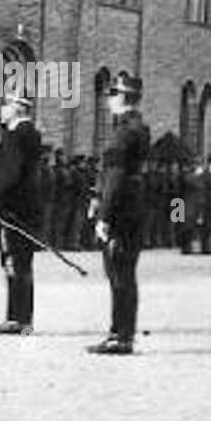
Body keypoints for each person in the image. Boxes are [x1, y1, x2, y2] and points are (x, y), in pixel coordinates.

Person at [88, 74, 150, 355]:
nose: (108, 99)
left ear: (122, 97)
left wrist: (104, 215)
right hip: (132, 208)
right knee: (124, 273)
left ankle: (120, 336)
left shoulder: (124, 132)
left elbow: (115, 176)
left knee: (119, 274)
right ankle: (122, 333)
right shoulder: (138, 127)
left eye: (112, 93)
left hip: (121, 212)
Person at [0, 93, 42, 334]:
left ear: (19, 108)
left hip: (17, 210)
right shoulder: (24, 133)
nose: (2, 109)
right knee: (13, 262)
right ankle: (16, 316)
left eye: (7, 104)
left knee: (17, 262)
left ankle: (21, 319)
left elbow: (9, 174)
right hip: (20, 207)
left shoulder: (18, 135)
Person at [199, 155, 211, 254]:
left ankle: (207, 247)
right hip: (207, 204)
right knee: (206, 227)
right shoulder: (205, 176)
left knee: (208, 227)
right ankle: (206, 248)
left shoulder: (210, 175)